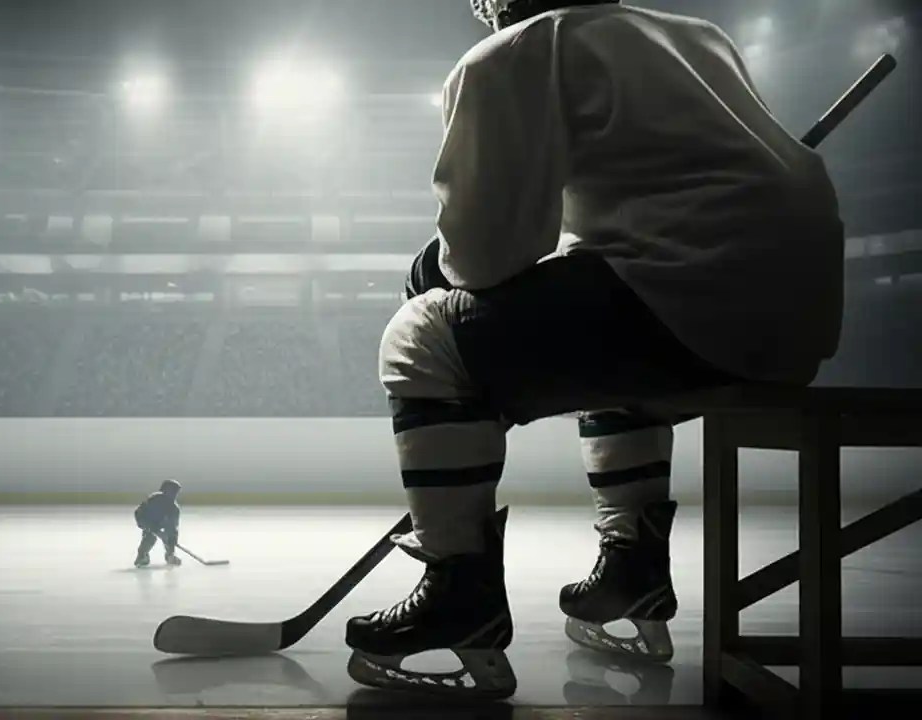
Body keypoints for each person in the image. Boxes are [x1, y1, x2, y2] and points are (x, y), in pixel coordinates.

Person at [343, 0, 845, 698]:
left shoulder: (514, 51)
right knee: (600, 325)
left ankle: (460, 598)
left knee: (422, 336)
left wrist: (435, 268)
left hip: (683, 302)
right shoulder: (696, 37)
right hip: (798, 326)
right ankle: (631, 574)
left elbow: (488, 254)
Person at [134, 479, 183, 567]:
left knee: (169, 536)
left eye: (176, 492)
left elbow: (173, 527)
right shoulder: (153, 500)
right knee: (150, 537)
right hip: (146, 520)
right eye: (173, 491)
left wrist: (172, 540)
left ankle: (170, 554)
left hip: (160, 522)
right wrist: (152, 528)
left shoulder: (174, 509)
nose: (175, 494)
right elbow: (140, 514)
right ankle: (142, 555)